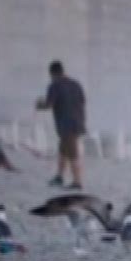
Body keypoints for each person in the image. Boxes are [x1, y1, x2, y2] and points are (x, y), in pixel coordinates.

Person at [36, 60, 86, 189]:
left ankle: (77, 181)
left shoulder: (55, 85)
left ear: (52, 73)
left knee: (72, 152)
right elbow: (82, 101)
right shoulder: (76, 84)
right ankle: (59, 177)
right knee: (63, 150)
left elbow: (48, 104)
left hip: (66, 124)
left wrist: (39, 104)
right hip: (78, 121)